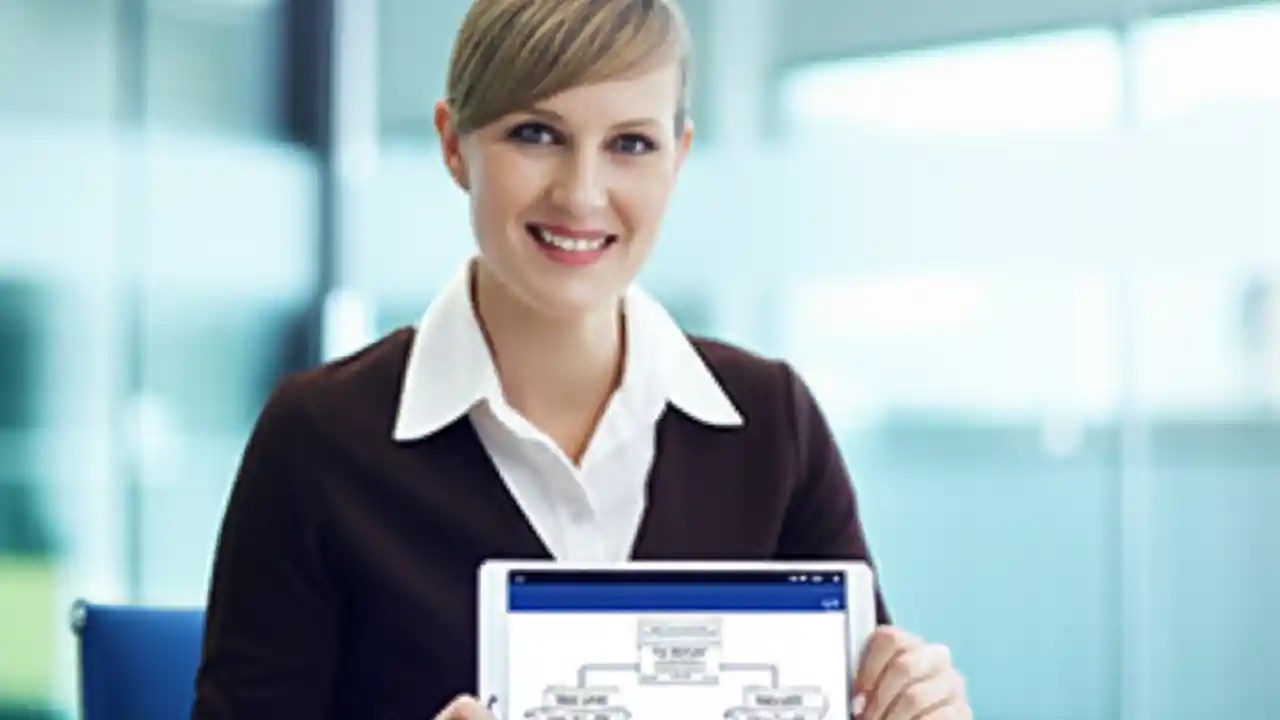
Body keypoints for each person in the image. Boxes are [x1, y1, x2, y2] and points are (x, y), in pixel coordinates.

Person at [191, 1, 972, 718]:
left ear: (679, 156)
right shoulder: (320, 438)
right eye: (536, 134)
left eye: (630, 144)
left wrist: (919, 705)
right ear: (453, 145)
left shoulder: (772, 423)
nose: (582, 193)